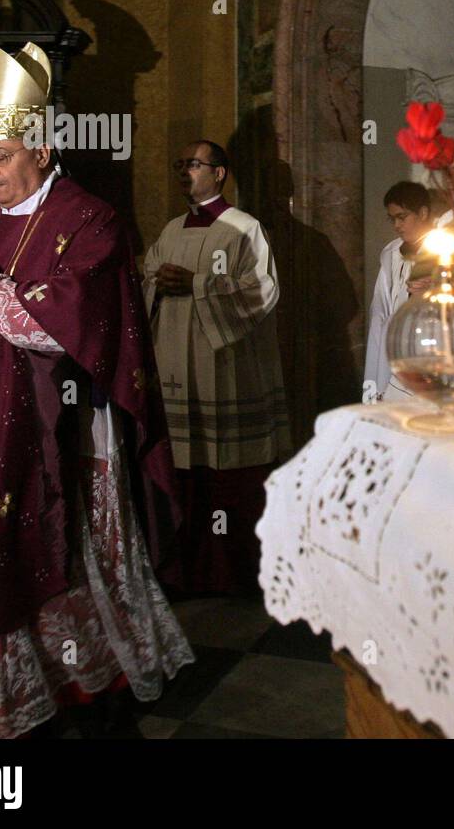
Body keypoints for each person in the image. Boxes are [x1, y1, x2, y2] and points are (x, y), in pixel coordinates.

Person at [0, 38, 193, 738]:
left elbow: (75, 321)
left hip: (59, 426)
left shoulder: (88, 218)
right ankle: (16, 690)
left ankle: (90, 682)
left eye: (0, 156)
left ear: (39, 148)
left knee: (64, 558)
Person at [142, 140, 291, 594]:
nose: (184, 171)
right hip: (173, 359)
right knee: (183, 465)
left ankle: (233, 573)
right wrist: (156, 283)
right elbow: (145, 276)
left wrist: (198, 284)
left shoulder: (245, 228)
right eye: (179, 163)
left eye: (194, 164)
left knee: (226, 470)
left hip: (224, 366)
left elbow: (262, 290)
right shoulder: (170, 230)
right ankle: (181, 567)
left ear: (220, 173)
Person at [364, 181, 434, 402]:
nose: (396, 225)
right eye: (392, 218)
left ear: (422, 213)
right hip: (389, 341)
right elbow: (380, 306)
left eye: (402, 217)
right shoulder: (391, 252)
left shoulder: (442, 251)